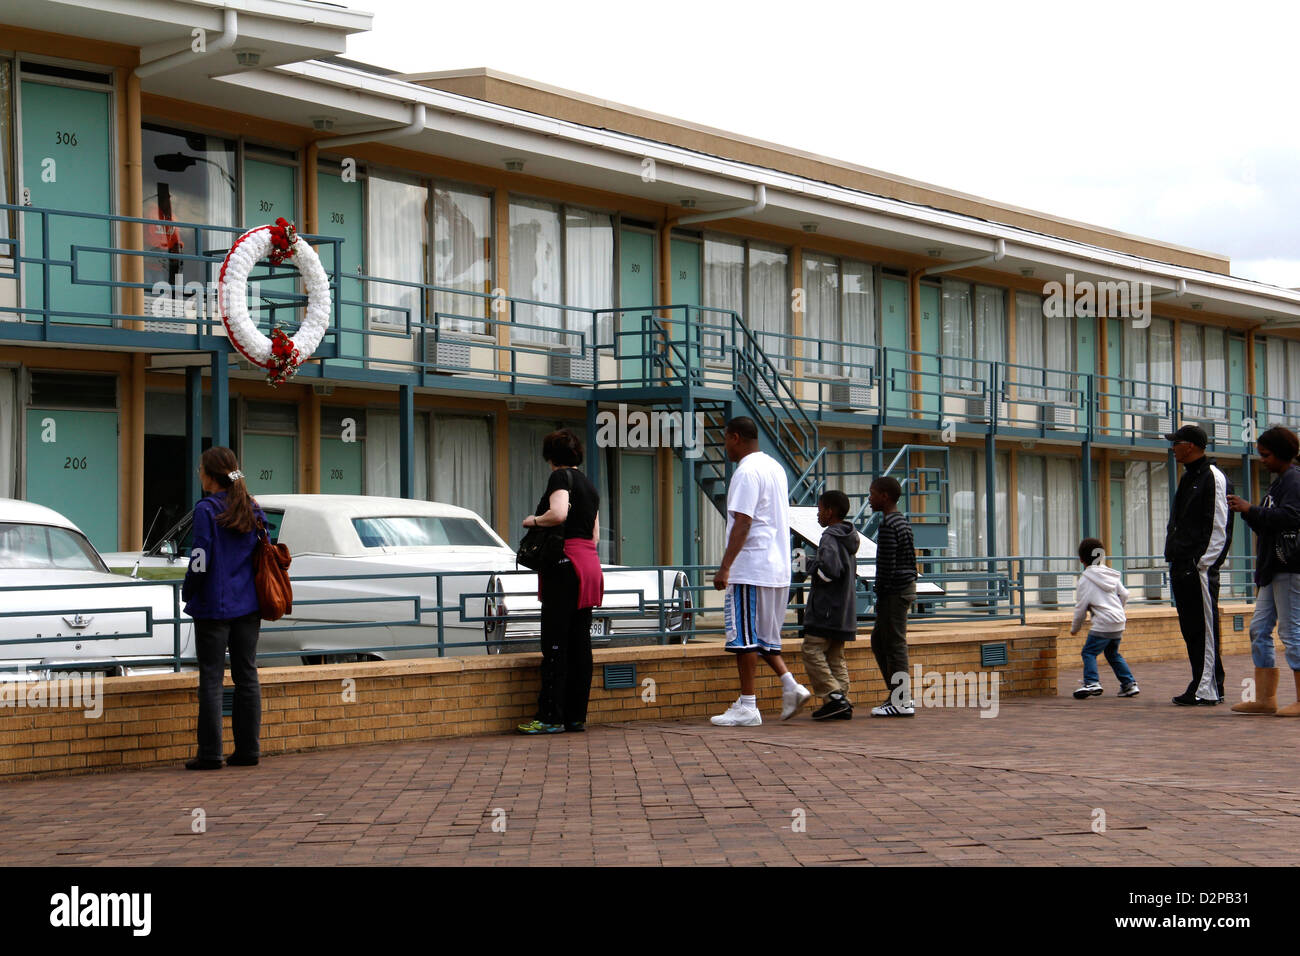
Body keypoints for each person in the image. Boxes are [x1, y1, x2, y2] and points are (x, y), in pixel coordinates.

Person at [711, 417, 810, 726]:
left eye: (725, 439)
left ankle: (749, 706)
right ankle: (791, 686)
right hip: (777, 567)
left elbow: (743, 521)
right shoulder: (774, 467)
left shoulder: (746, 472)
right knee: (764, 638)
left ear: (736, 437)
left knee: (744, 639)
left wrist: (725, 566)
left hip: (751, 567)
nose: (724, 446)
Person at [181, 447, 266, 769]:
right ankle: (248, 750)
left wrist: (189, 590)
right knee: (247, 676)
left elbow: (200, 558)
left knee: (212, 679)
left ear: (212, 475)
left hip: (214, 607)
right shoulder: (251, 506)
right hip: (249, 604)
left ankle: (210, 753)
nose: (198, 473)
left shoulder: (206, 510)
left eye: (200, 468)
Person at [517, 428, 604, 735]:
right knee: (581, 643)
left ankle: (550, 717)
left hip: (566, 566)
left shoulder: (560, 478)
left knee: (555, 643)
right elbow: (594, 534)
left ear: (550, 456)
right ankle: (575, 716)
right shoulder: (590, 486)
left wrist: (533, 520)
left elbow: (557, 513)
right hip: (589, 565)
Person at [1227, 425, 1300, 716]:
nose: (1262, 460)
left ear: (1282, 454)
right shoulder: (1279, 482)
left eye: (1266, 455)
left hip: (1290, 568)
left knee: (1292, 632)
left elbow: (1292, 518)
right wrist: (1247, 512)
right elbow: (1269, 522)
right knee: (1259, 629)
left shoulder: (1293, 481)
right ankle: (1265, 698)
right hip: (1273, 569)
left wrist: (1251, 509)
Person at [1163, 424, 1234, 706]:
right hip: (1182, 564)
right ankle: (1205, 682)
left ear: (1190, 445)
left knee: (1204, 628)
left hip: (1199, 569)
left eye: (1176, 443)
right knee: (1191, 628)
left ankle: (1207, 688)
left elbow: (1220, 527)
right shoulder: (1188, 477)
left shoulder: (1212, 477)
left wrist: (1202, 564)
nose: (1172, 448)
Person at [799, 489, 861, 720]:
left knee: (811, 650)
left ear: (830, 511)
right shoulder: (849, 535)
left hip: (825, 610)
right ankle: (841, 701)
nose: (817, 515)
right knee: (835, 656)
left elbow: (828, 572)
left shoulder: (829, 537)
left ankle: (834, 697)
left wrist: (808, 565)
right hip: (843, 610)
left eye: (819, 510)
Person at [868, 476, 919, 717]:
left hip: (894, 591)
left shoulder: (888, 525)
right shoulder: (902, 521)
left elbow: (886, 565)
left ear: (884, 496)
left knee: (895, 644)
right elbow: (911, 559)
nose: (869, 499)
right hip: (904, 587)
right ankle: (899, 695)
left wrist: (880, 594)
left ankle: (901, 699)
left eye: (872, 494)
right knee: (879, 641)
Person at [1069, 537, 1139, 699]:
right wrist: (1117, 610)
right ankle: (1129, 684)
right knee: (1112, 654)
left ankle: (1092, 682)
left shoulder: (1085, 580)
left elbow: (1081, 608)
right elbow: (1125, 594)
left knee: (1088, 652)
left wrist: (1075, 628)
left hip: (1103, 623)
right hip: (1118, 621)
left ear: (1081, 560)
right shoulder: (1110, 574)